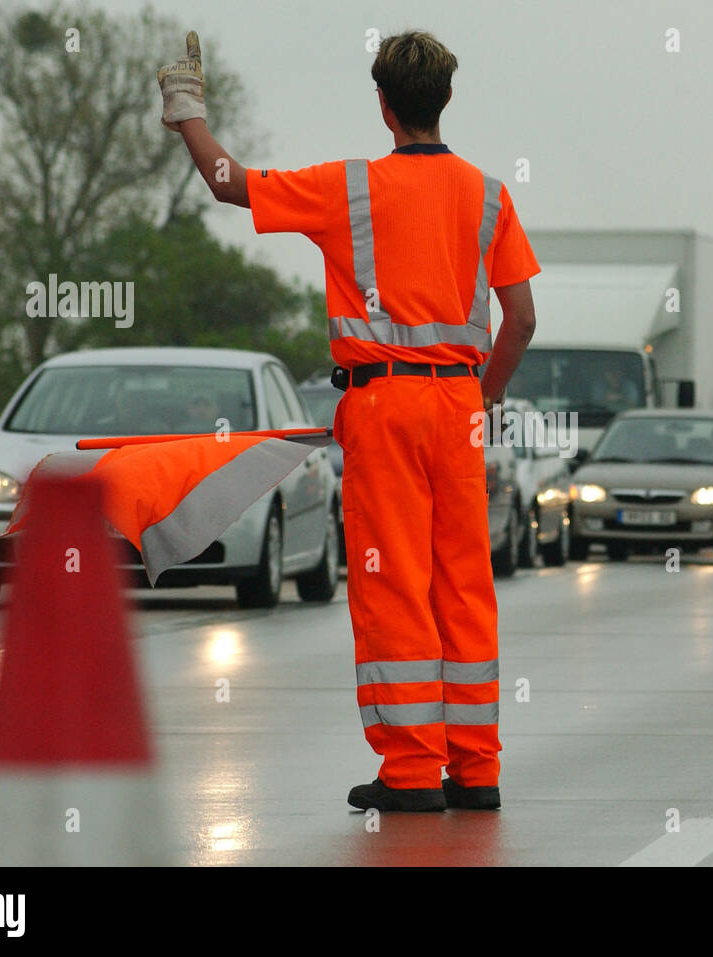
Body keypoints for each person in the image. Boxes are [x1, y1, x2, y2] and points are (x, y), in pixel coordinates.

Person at [158, 30, 538, 812]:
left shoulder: (350, 189)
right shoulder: (491, 196)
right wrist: (484, 396)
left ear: (383, 104)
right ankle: (476, 769)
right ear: (446, 100)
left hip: (384, 401)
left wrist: (186, 109)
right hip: (460, 404)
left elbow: (230, 183)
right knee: (464, 583)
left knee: (393, 577)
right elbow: (523, 319)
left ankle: (409, 772)